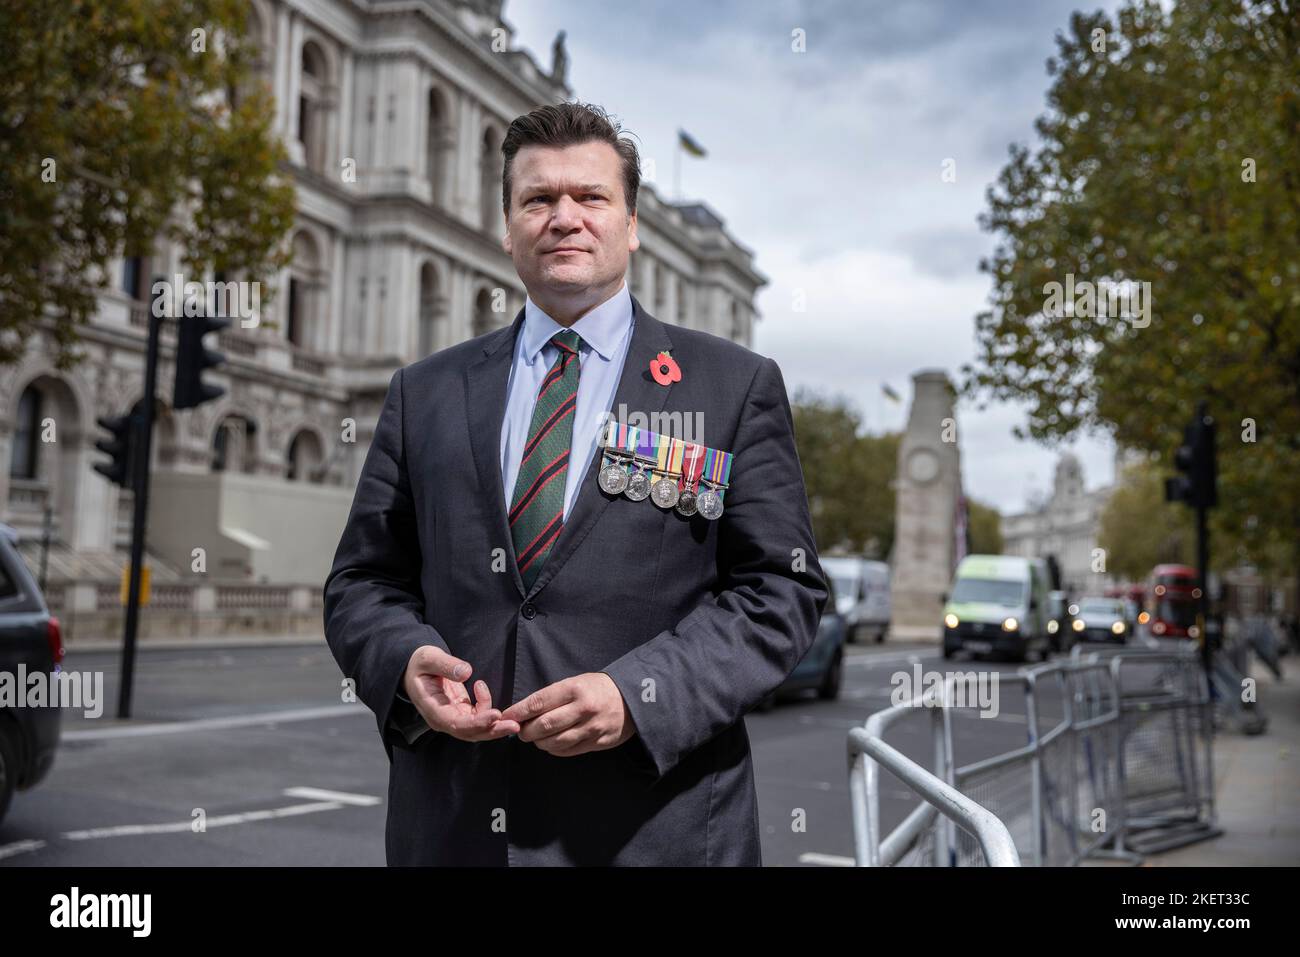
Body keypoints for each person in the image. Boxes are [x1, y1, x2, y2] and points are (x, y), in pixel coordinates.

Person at [323, 101, 828, 865]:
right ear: (508, 227)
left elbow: (780, 592)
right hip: (457, 830)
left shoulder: (732, 385)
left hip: (658, 831)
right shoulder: (424, 392)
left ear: (631, 227)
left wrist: (638, 695)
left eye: (591, 198)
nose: (565, 218)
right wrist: (401, 663)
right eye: (538, 199)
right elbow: (363, 580)